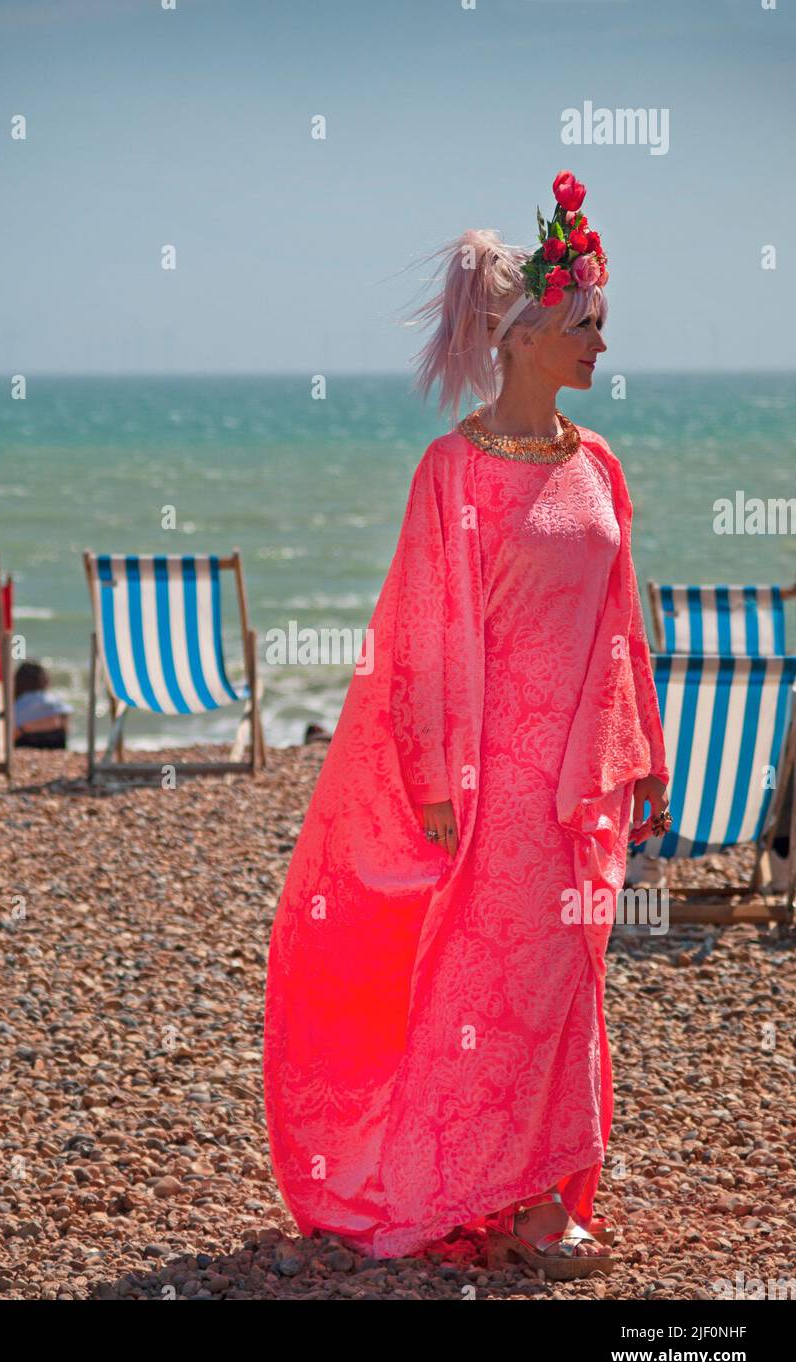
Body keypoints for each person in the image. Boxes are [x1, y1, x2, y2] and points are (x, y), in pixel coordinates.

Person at [263, 171, 672, 1276]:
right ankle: (505, 1197)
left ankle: (529, 1191)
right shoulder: (453, 473)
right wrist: (441, 784)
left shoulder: (601, 468)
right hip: (490, 785)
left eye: (600, 324)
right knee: (488, 985)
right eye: (584, 324)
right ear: (530, 330)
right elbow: (425, 637)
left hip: (581, 781)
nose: (599, 343)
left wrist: (645, 756)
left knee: (564, 981)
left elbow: (621, 622)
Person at [13, 661, 71, 749]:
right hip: (57, 747)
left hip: (24, 747)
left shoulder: (16, 706)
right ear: (44, 680)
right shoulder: (56, 701)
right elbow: (66, 725)